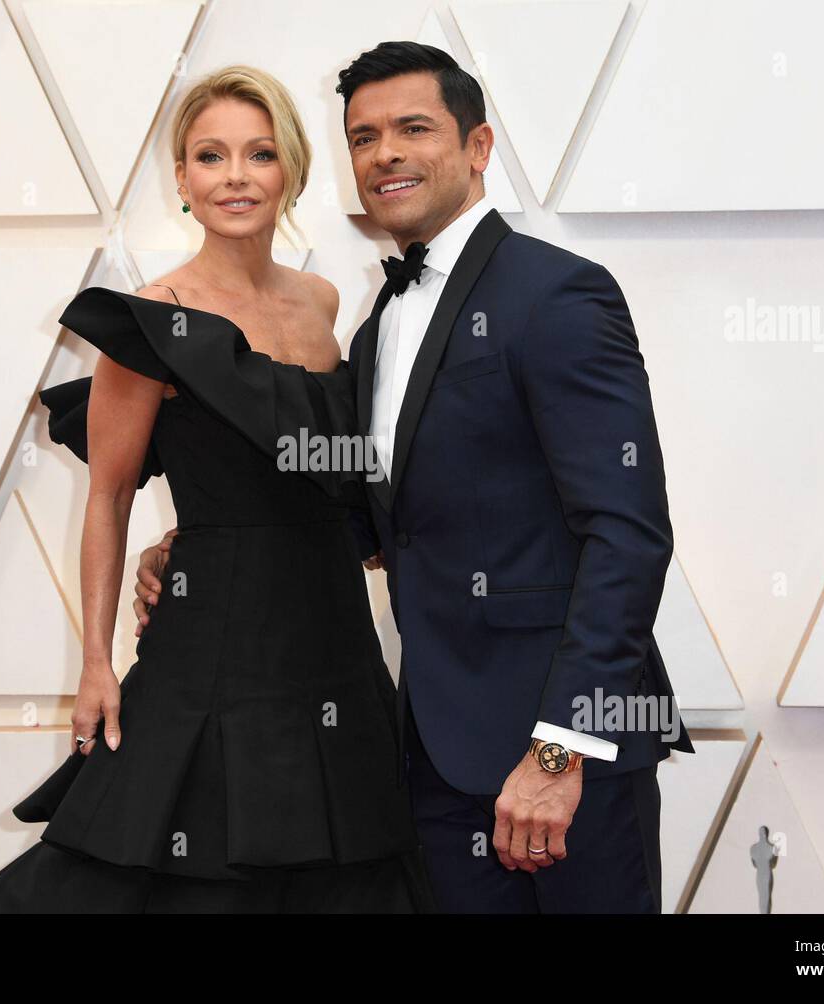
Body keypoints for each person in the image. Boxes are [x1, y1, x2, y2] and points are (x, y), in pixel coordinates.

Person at [133, 42, 695, 913]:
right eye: (363, 137)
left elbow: (628, 533)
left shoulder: (558, 295)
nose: (384, 153)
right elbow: (377, 520)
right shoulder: (379, 323)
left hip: (560, 760)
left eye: (412, 128)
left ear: (477, 147)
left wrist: (558, 753)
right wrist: (205, 545)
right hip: (429, 753)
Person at [0, 65, 432, 914]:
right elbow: (109, 494)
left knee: (345, 858)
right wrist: (96, 663)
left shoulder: (322, 303)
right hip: (212, 643)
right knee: (172, 870)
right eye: (211, 156)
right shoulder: (151, 314)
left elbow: (340, 476)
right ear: (182, 178)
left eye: (258, 153)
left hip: (334, 636)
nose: (235, 176)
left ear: (291, 171)